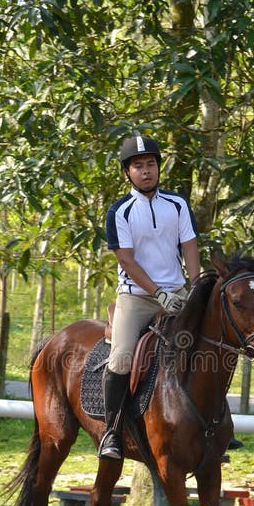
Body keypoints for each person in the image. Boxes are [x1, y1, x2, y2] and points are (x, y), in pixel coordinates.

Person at [98, 134, 201, 459]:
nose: (146, 171)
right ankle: (112, 432)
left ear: (159, 167)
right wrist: (157, 293)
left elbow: (189, 246)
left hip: (179, 292)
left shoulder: (178, 204)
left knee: (208, 349)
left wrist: (195, 287)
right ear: (127, 172)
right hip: (137, 298)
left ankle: (216, 426)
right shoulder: (120, 211)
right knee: (121, 358)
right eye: (138, 166)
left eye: (151, 164)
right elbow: (126, 258)